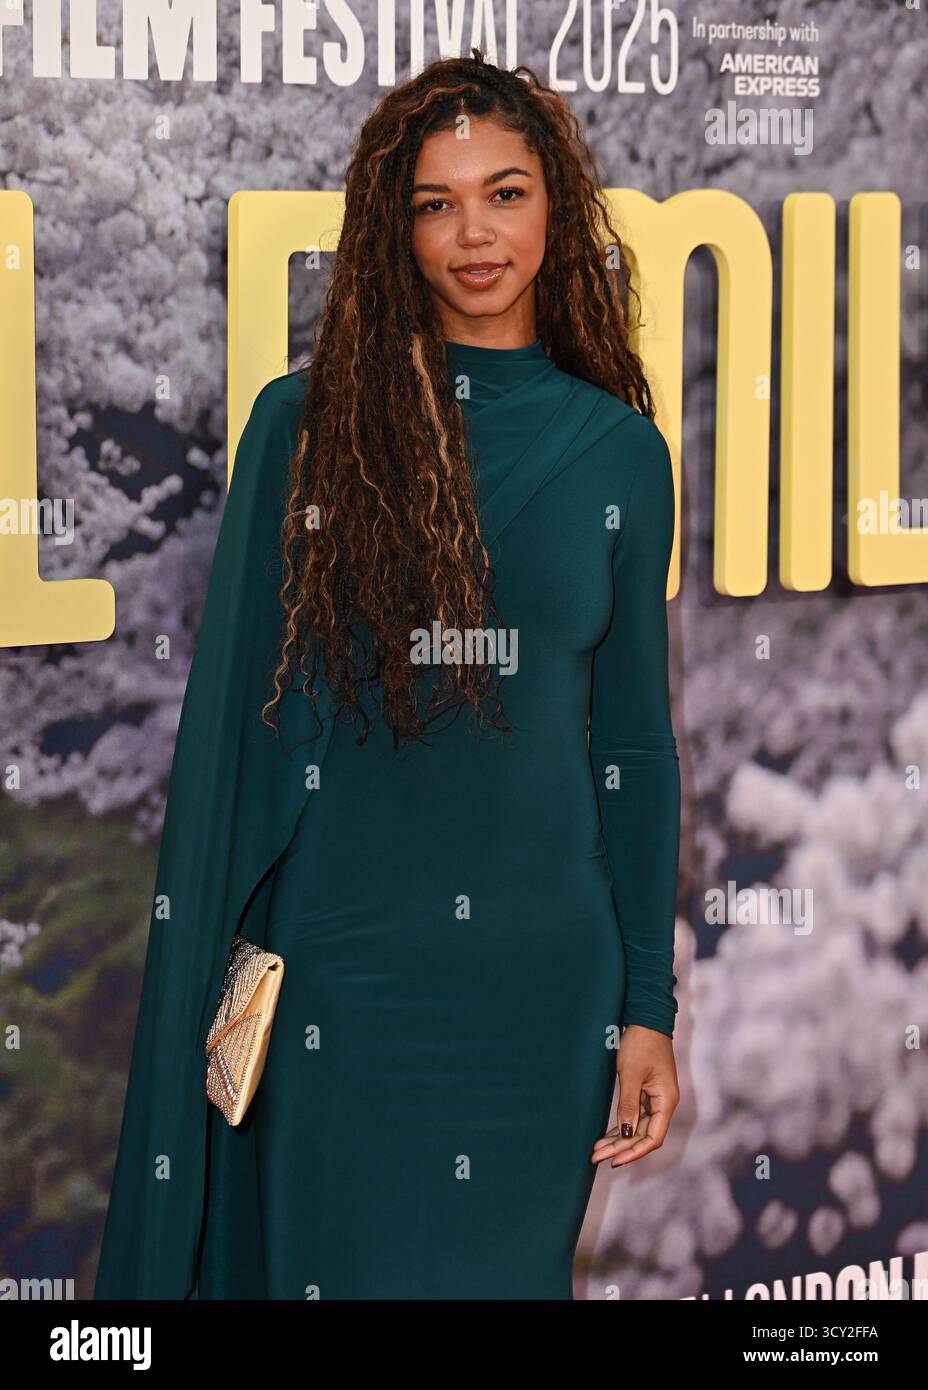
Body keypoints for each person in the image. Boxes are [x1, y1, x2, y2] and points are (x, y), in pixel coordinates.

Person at [94, 48, 681, 1302]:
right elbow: (230, 743)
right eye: (436, 201)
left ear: (556, 209)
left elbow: (632, 746)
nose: (476, 233)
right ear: (393, 227)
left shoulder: (621, 454)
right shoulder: (296, 429)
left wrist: (647, 1004)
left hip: (541, 989)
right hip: (340, 984)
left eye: (506, 192)